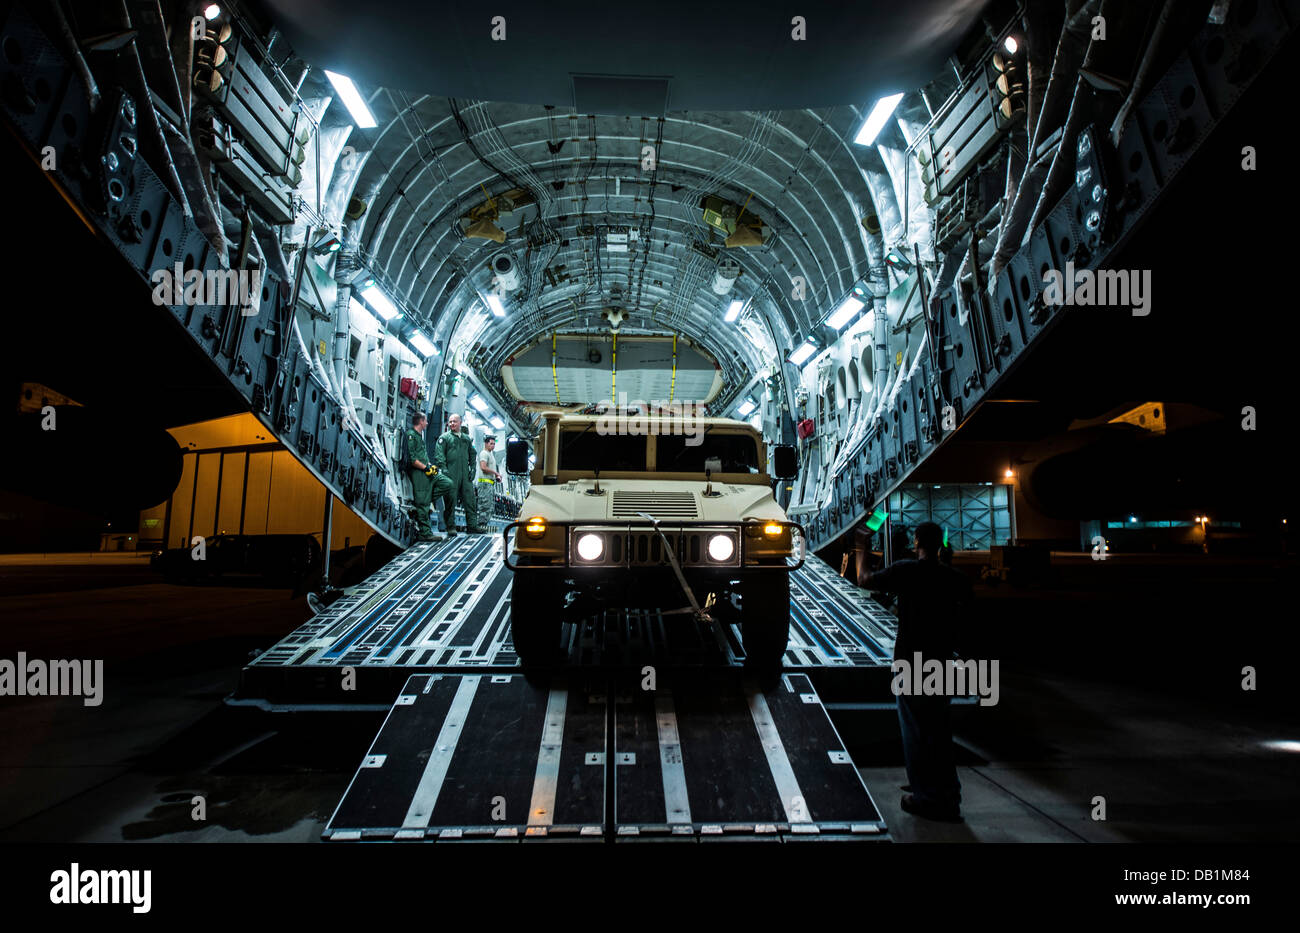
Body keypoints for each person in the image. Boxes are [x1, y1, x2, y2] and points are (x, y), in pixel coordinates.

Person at [862, 520, 972, 822]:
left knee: (915, 731)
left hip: (911, 661)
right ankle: (948, 793)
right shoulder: (955, 578)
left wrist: (860, 547)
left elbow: (864, 579)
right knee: (938, 729)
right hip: (942, 662)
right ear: (941, 543)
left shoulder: (906, 571)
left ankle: (926, 797)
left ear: (916, 541)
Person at [406, 412, 453, 542]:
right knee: (422, 504)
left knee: (447, 483)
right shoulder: (411, 435)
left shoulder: (419, 436)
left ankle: (427, 498)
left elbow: (421, 456)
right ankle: (425, 533)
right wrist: (425, 468)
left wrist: (430, 466)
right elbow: (412, 459)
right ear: (421, 421)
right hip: (419, 473)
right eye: (425, 421)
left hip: (426, 470)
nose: (427, 423)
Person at [434, 413, 481, 533]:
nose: (452, 424)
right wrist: (444, 469)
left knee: (470, 500)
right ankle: (450, 527)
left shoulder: (466, 439)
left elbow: (472, 454)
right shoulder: (444, 438)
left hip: (465, 475)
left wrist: (473, 468)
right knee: (450, 500)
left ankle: (472, 526)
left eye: (454, 421)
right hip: (451, 474)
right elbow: (439, 455)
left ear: (460, 423)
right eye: (450, 422)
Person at [476, 436, 502, 528]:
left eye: (494, 444)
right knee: (484, 506)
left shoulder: (491, 454)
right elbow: (483, 467)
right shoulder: (484, 453)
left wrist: (496, 476)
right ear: (486, 444)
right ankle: (480, 526)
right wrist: (495, 473)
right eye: (491, 443)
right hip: (484, 484)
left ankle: (483, 526)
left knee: (489, 507)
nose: (493, 446)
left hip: (489, 484)